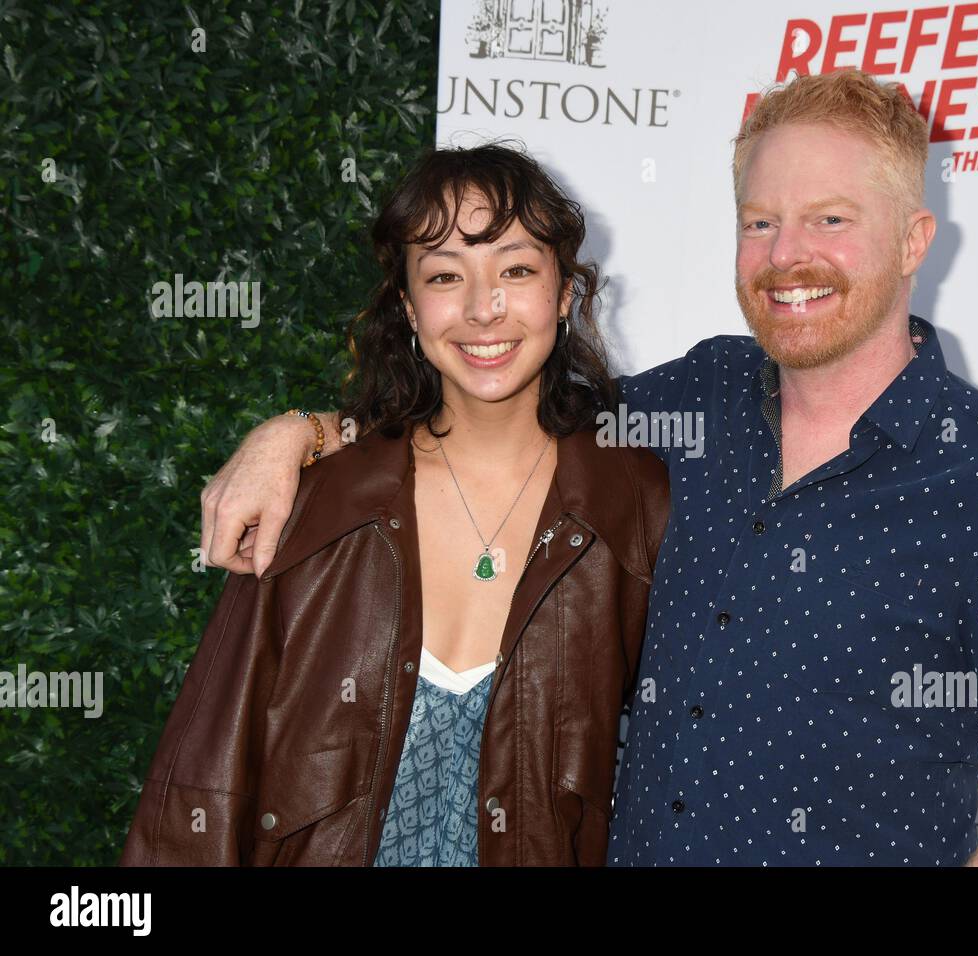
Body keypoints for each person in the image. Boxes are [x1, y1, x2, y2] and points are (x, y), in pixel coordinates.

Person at [198, 69, 978, 866]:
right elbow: (491, 409)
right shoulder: (694, 402)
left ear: (913, 240)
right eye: (762, 221)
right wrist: (303, 432)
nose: (788, 256)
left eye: (830, 219)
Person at [120, 142, 670, 866]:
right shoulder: (319, 502)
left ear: (564, 292)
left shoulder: (634, 506)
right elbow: (206, 773)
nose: (483, 309)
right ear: (410, 309)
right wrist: (300, 429)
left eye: (515, 269)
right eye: (445, 276)